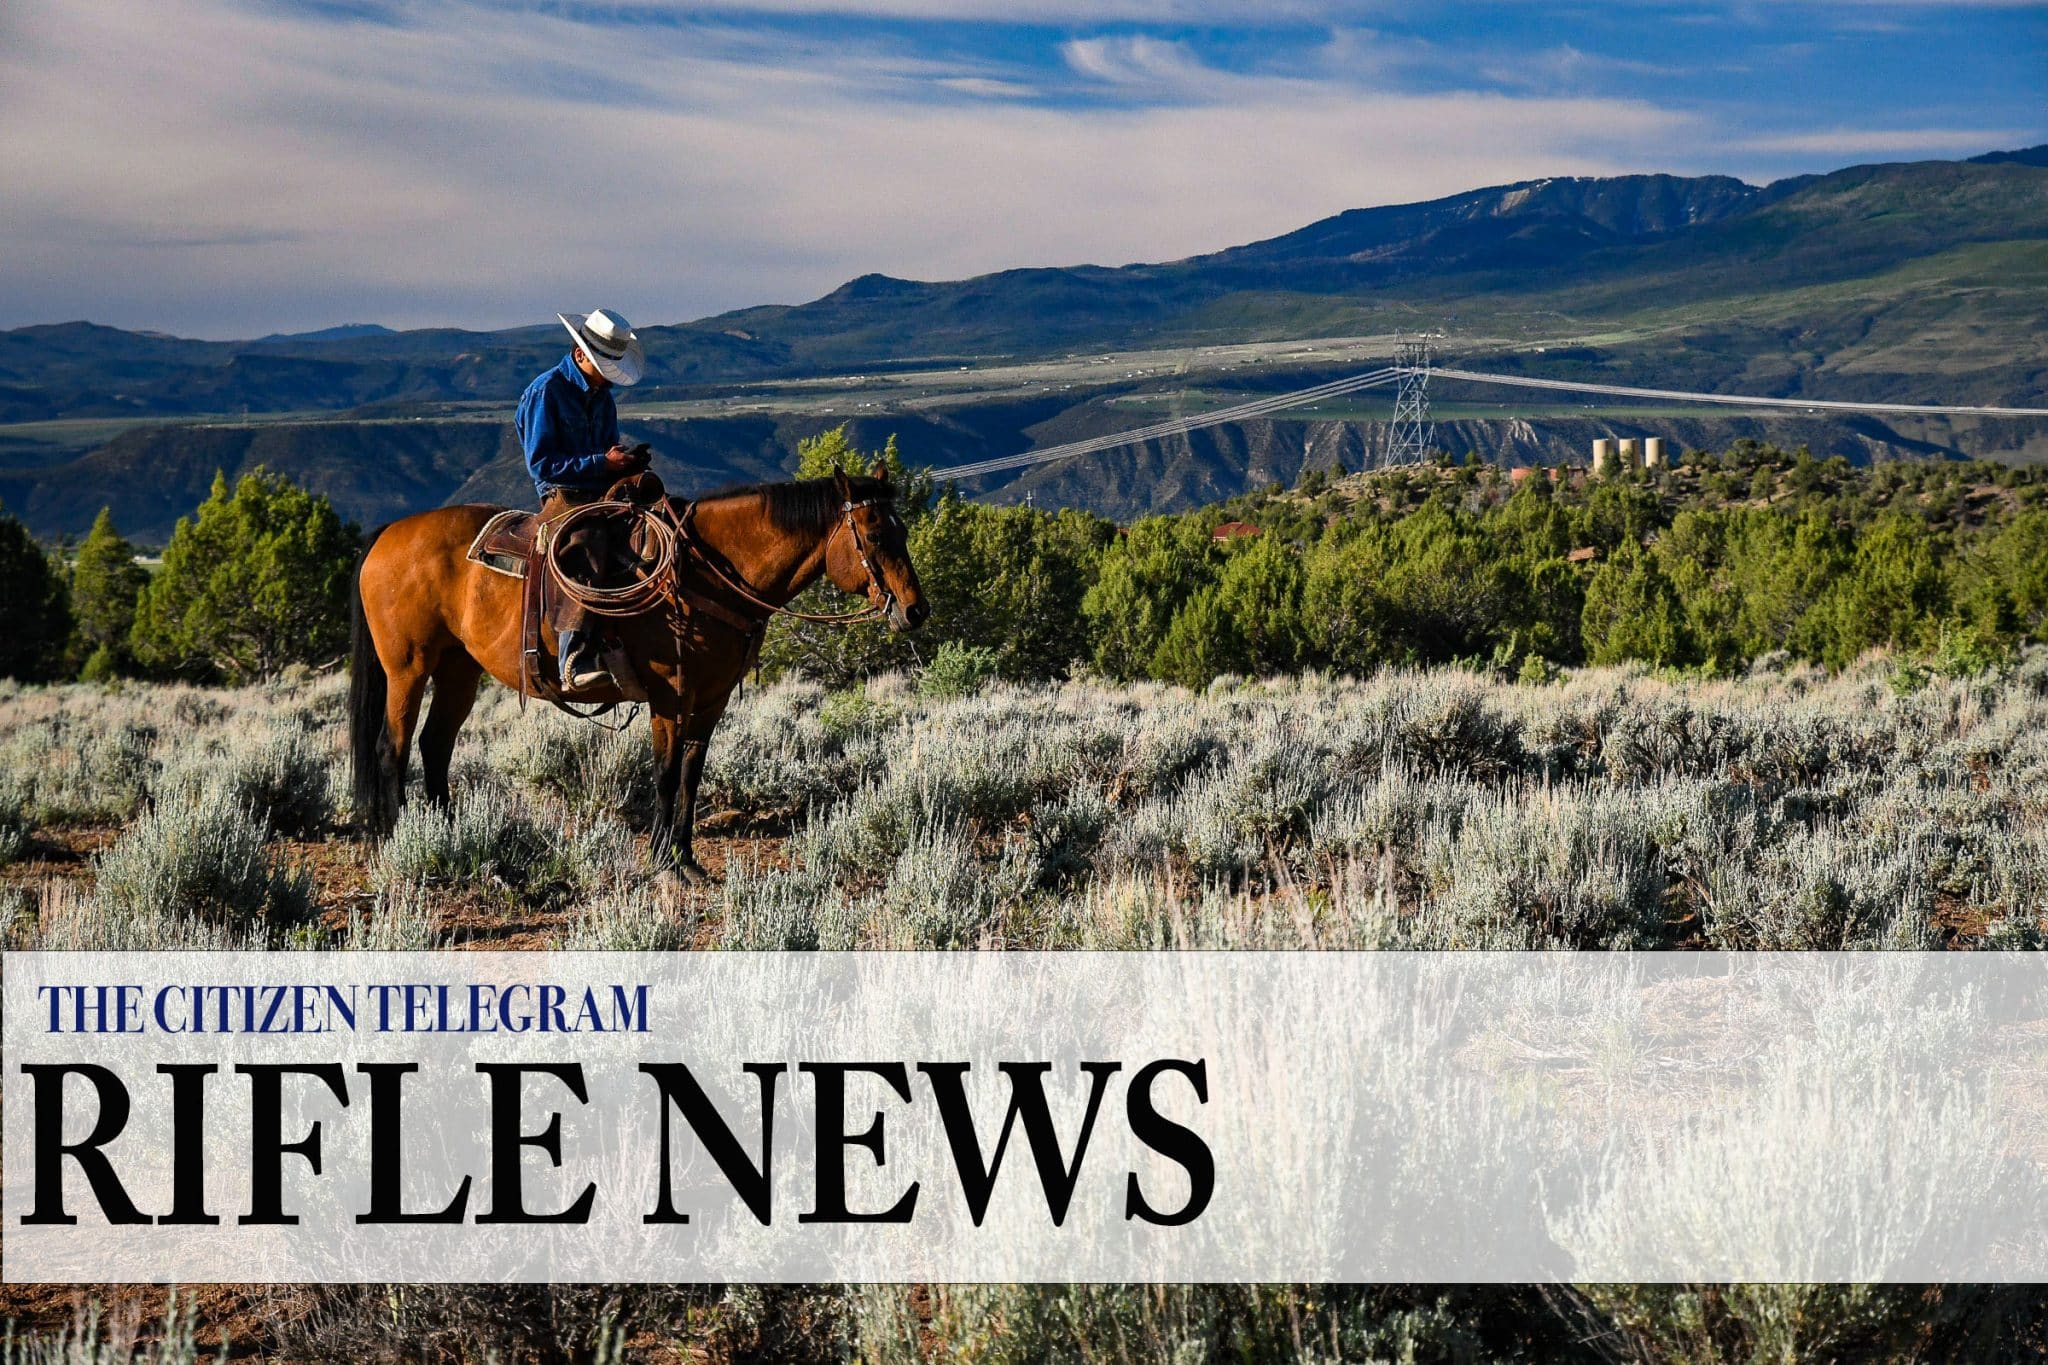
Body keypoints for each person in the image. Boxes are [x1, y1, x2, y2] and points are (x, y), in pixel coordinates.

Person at [514, 308, 650, 690]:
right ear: (580, 355)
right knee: (587, 541)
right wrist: (601, 463)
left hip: (598, 489)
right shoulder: (547, 392)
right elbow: (541, 464)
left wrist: (625, 463)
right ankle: (573, 657)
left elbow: (606, 449)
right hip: (562, 495)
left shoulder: (602, 397)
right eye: (603, 369)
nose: (609, 379)